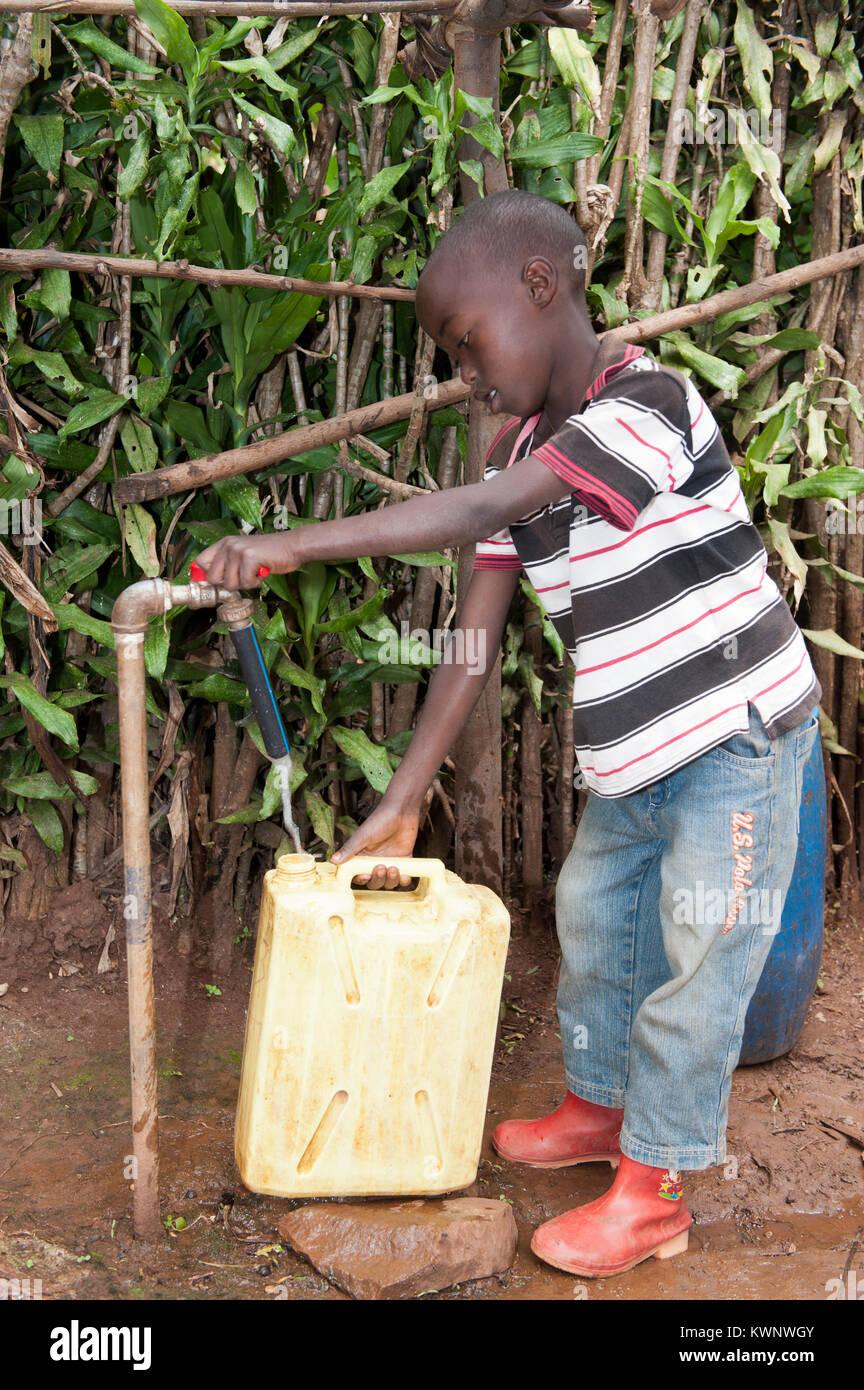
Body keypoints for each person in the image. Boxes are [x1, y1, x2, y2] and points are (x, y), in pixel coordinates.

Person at [193, 189, 822, 1278]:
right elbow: (471, 641)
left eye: (468, 342)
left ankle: (656, 1184)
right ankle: (600, 1107)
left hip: (736, 730)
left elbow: (485, 514)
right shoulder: (513, 452)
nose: (468, 376)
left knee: (700, 958)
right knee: (593, 915)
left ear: (542, 285)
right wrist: (403, 800)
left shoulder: (647, 407)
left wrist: (292, 543)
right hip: (635, 755)